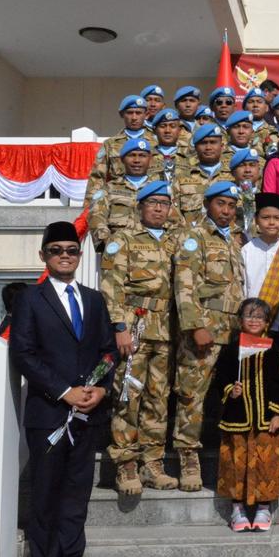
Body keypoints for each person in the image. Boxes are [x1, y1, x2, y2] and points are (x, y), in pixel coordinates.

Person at [9, 221, 116, 557]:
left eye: (71, 250)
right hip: (50, 413)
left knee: (76, 489)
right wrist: (64, 391)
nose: (64, 256)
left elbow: (108, 350)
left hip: (88, 412)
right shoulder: (29, 299)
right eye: (56, 250)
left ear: (79, 255)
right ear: (43, 256)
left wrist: (100, 387)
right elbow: (23, 353)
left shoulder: (93, 298)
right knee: (46, 490)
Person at [99, 181, 180, 494]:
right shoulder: (124, 240)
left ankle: (153, 463)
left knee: (158, 399)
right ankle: (126, 464)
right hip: (134, 325)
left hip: (167, 327)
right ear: (141, 206)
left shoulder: (177, 241)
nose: (159, 208)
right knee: (128, 396)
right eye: (153, 203)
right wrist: (119, 327)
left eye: (164, 203)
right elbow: (112, 286)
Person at [174, 182, 246, 492]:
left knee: (229, 396)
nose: (227, 210)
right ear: (207, 204)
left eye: (231, 206)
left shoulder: (235, 240)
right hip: (205, 329)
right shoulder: (194, 238)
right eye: (221, 204)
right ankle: (188, 456)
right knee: (192, 395)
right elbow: (184, 284)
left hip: (233, 332)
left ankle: (224, 458)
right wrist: (194, 326)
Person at [214, 298, 279, 533]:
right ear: (240, 320)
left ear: (267, 322)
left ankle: (264, 507)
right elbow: (220, 379)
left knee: (266, 463)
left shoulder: (272, 350)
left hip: (266, 420)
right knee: (236, 463)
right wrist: (231, 391)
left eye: (259, 317)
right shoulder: (230, 350)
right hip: (237, 419)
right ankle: (237, 509)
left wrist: (276, 413)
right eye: (249, 316)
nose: (254, 320)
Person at [89, 137, 158, 251]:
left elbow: (174, 222)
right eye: (132, 155)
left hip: (153, 255)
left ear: (150, 159)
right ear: (122, 159)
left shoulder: (159, 190)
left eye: (142, 155)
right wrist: (109, 243)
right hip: (118, 253)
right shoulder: (108, 189)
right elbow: (96, 217)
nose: (137, 160)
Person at [85, 95, 155, 204]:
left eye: (138, 113)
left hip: (151, 200)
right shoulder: (110, 144)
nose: (134, 117)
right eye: (130, 113)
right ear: (122, 114)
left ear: (146, 115)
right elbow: (97, 177)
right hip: (119, 201)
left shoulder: (156, 143)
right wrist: (91, 207)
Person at [241, 192, 279, 321]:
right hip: (251, 319)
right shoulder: (247, 250)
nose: (271, 222)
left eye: (277, 218)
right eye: (265, 217)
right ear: (256, 220)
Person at [171, 124, 233, 221]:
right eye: (203, 143)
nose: (208, 147)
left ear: (222, 146)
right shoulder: (181, 178)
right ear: (195, 147)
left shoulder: (234, 177)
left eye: (213, 142)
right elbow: (174, 215)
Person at [150, 109, 194, 182]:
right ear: (155, 130)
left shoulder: (190, 155)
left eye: (172, 126)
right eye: (163, 126)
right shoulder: (146, 156)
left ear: (179, 130)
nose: (167, 131)